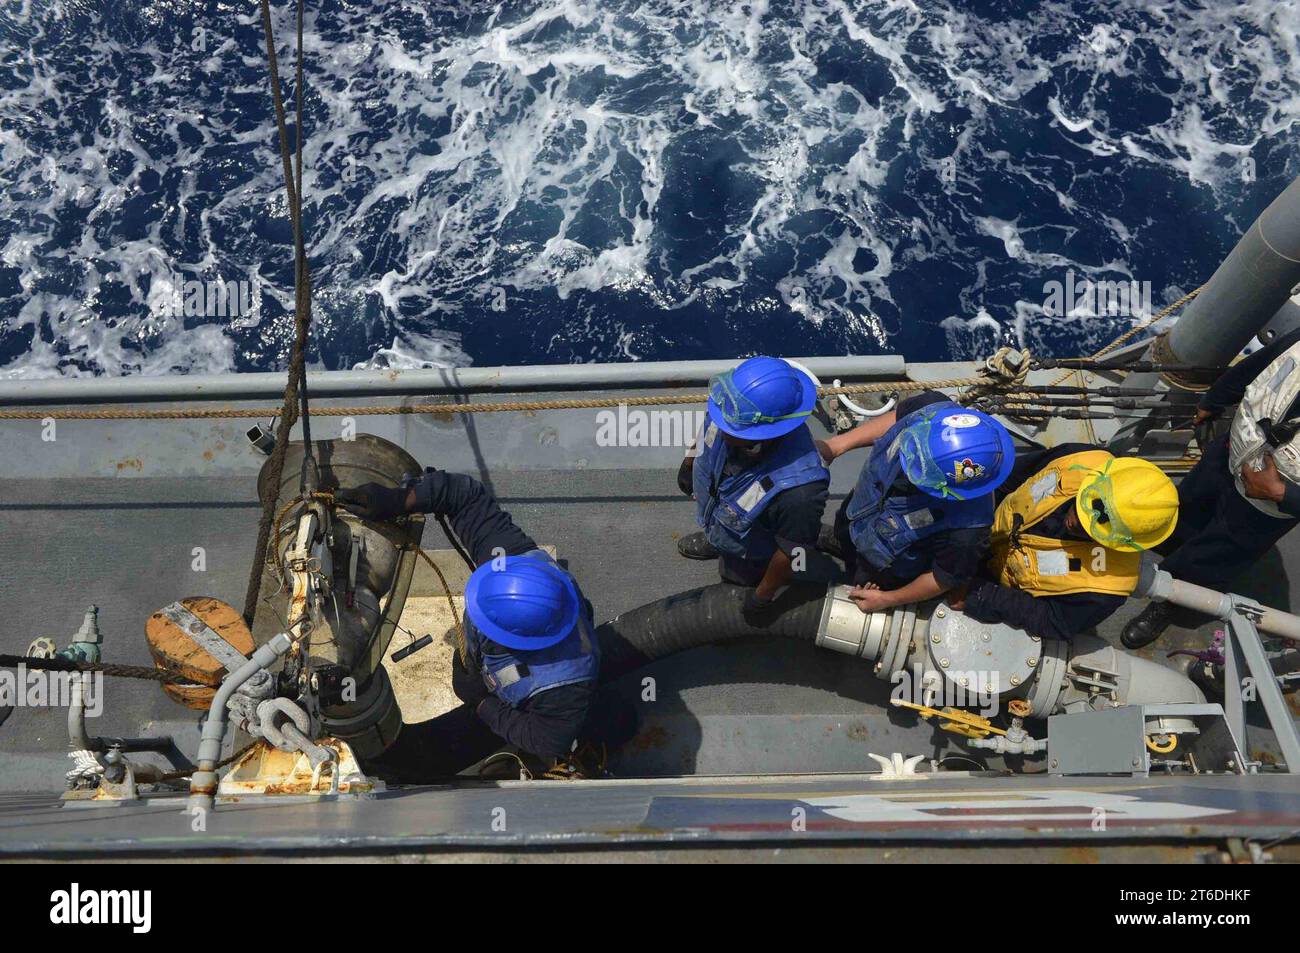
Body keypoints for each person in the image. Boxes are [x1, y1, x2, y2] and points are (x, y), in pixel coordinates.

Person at [335, 471, 598, 766]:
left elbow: (546, 740)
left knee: (413, 761)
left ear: (510, 638)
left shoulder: (563, 689)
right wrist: (399, 499)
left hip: (512, 695)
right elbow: (463, 495)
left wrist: (483, 703)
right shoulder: (513, 563)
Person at [1123, 327, 1300, 648]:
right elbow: (1265, 361)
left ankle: (1169, 602)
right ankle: (1166, 548)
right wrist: (1216, 397)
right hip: (1233, 449)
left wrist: (1282, 494)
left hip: (1267, 503)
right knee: (1189, 509)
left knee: (1215, 555)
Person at [955, 444, 1179, 642]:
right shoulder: (1082, 458)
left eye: (1097, 529)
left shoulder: (1105, 588)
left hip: (996, 585)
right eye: (1089, 503)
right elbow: (1013, 476)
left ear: (1122, 542)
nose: (1077, 522)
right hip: (979, 526)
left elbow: (1053, 619)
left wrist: (983, 598)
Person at [819, 391, 1015, 614]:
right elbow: (900, 417)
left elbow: (943, 578)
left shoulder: (967, 534)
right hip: (859, 511)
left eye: (923, 469)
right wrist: (838, 445)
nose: (908, 462)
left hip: (884, 564)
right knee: (843, 529)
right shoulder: (934, 407)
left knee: (862, 579)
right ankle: (841, 541)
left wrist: (885, 599)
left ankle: (857, 569)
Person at [675, 356, 830, 621]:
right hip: (722, 518)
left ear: (766, 432)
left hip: (753, 553)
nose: (721, 423)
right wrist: (689, 463)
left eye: (732, 426)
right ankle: (718, 541)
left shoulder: (801, 493)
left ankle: (739, 585)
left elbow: (792, 554)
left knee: (738, 580)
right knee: (723, 536)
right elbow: (708, 429)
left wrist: (762, 596)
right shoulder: (729, 408)